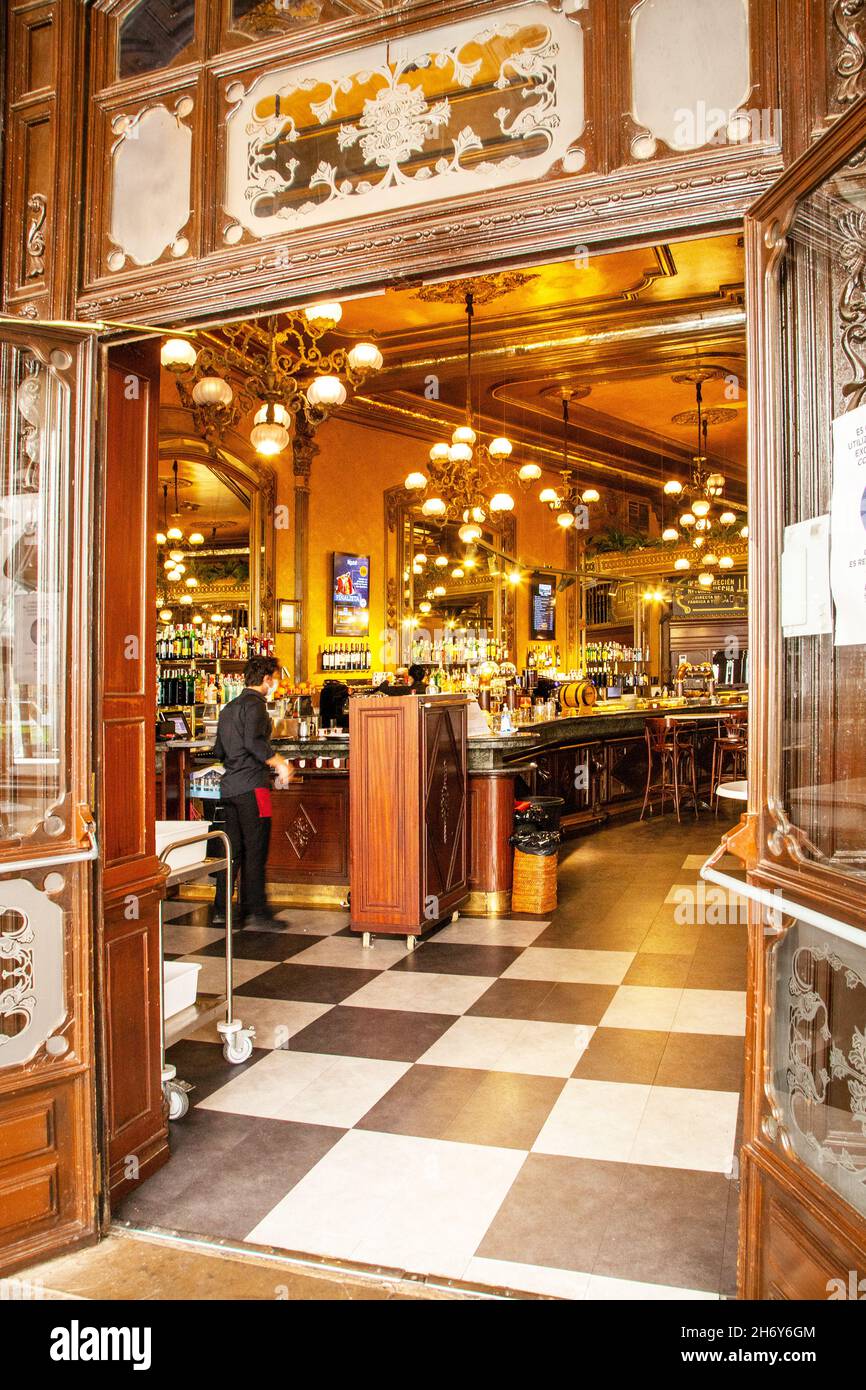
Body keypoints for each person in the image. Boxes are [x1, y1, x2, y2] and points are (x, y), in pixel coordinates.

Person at [211, 655, 293, 930]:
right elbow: (254, 742)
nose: (275, 683)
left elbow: (219, 750)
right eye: (275, 678)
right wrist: (279, 762)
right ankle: (257, 911)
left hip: (229, 788)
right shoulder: (256, 706)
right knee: (256, 850)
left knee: (232, 850)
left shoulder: (229, 707)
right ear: (267, 679)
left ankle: (222, 909)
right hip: (253, 787)